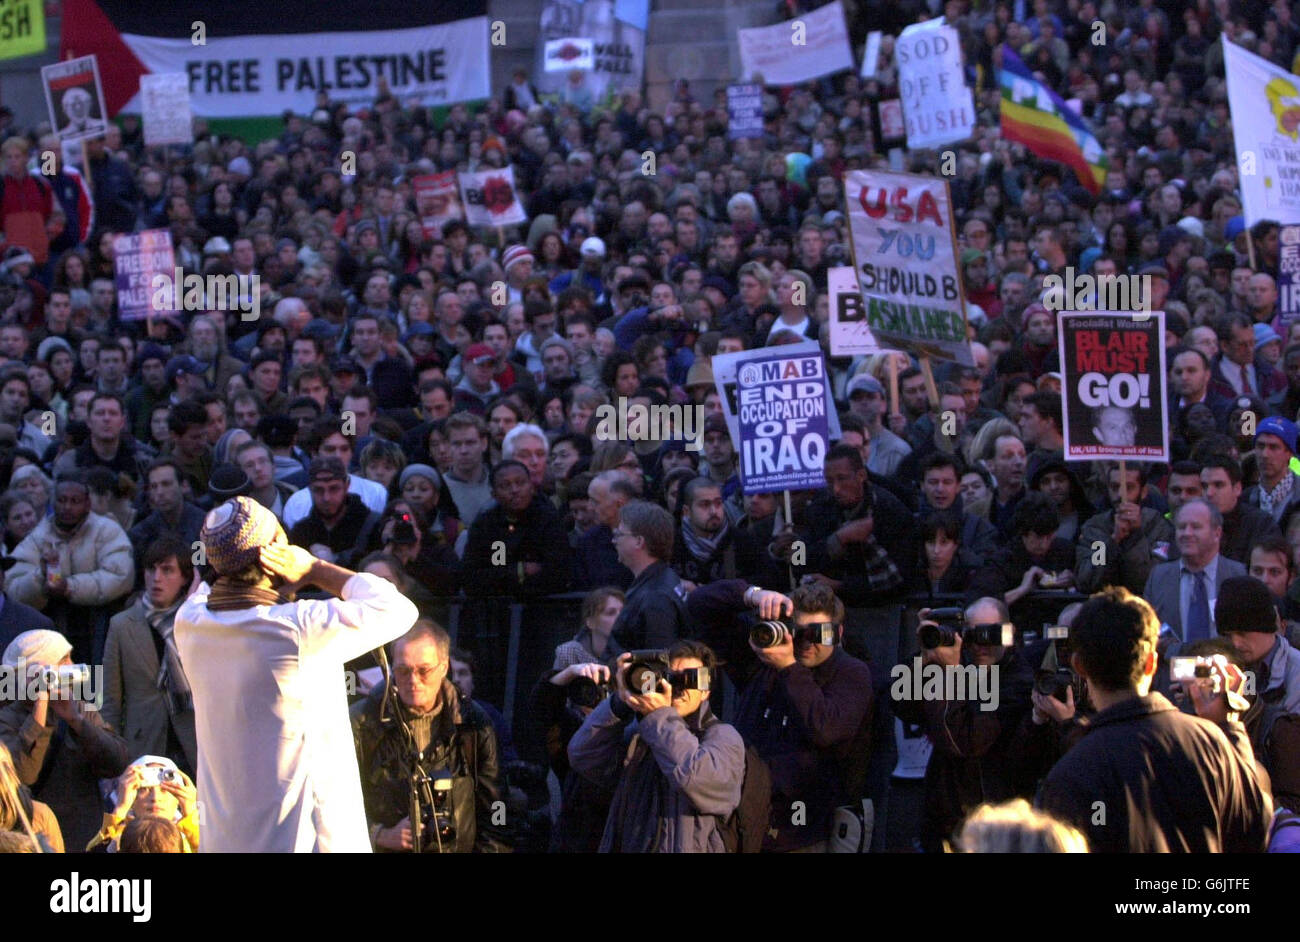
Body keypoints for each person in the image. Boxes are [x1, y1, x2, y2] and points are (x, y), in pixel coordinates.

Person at [174, 497, 419, 852]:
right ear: (275, 555)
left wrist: (265, 576)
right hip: (303, 840)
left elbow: (215, 587)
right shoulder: (295, 628)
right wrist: (315, 569)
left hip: (227, 840)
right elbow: (397, 608)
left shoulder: (190, 621)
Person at [1036, 587, 1272, 853]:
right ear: (1151, 663)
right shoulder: (1212, 744)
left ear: (1080, 666)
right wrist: (1230, 725)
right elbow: (1254, 832)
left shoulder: (1070, 774)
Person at [688, 579, 873, 852]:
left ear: (839, 632)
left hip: (805, 832)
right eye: (799, 633)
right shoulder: (762, 660)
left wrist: (788, 667)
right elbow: (698, 606)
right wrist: (753, 595)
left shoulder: (851, 672)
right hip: (742, 822)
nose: (808, 643)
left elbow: (825, 728)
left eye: (820, 634)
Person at [567, 639, 744, 853]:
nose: (678, 688)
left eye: (690, 679)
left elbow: (695, 780)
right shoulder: (641, 734)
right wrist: (620, 703)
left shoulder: (723, 736)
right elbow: (582, 755)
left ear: (706, 691)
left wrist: (660, 717)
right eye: (670, 678)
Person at [350, 621, 510, 852]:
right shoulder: (363, 722)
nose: (413, 680)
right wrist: (377, 834)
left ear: (443, 667)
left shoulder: (474, 722)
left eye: (424, 670)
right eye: (403, 670)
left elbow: (497, 807)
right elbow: (326, 802)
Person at [893, 597, 1034, 853]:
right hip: (946, 821)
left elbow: (966, 741)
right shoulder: (961, 664)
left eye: (989, 634)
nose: (980, 644)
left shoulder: (1018, 679)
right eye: (972, 634)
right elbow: (902, 705)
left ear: (1008, 633)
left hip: (999, 825)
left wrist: (951, 672)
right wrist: (926, 655)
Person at [0, 628, 130, 851]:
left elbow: (117, 762)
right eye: (63, 660)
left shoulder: (78, 707)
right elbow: (23, 777)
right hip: (36, 837)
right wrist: (39, 715)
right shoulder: (7, 719)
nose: (71, 666)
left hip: (86, 837)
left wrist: (77, 721)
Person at [7, 473, 134, 664]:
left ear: (87, 504)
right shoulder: (38, 537)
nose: (67, 507)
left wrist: (70, 587)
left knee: (98, 685)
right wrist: (41, 577)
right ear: (53, 503)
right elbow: (13, 584)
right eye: (62, 500)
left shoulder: (107, 530)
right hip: (54, 624)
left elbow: (120, 576)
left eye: (75, 501)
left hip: (101, 622)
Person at [101, 535, 199, 775]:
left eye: (167, 571)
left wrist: (195, 607)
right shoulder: (122, 625)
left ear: (185, 577)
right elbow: (110, 698)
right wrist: (110, 755)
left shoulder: (197, 621)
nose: (157, 579)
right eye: (151, 569)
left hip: (191, 743)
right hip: (144, 743)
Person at [459, 460, 572, 598]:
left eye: (520, 483)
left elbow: (558, 574)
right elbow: (471, 578)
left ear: (531, 486)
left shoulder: (549, 520)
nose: (514, 490)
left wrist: (503, 578)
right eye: (505, 485)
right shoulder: (485, 524)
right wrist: (521, 570)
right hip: (496, 609)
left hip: (542, 607)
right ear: (494, 494)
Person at [1144, 499, 1247, 645]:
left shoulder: (1239, 575)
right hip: (1171, 665)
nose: (1187, 533)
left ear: (1217, 533)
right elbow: (1146, 634)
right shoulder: (1158, 577)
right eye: (1181, 527)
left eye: (1196, 527)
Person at [609, 500, 692, 649]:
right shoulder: (663, 578)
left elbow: (658, 661)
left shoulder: (656, 598)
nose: (614, 541)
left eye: (619, 534)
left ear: (639, 541)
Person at [86, 756, 200, 853]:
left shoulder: (194, 838)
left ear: (178, 799)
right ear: (132, 798)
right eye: (145, 789)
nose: (155, 798)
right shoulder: (118, 839)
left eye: (165, 790)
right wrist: (120, 809)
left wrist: (191, 817)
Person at [288, 456, 382, 569]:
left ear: (346, 486)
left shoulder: (373, 526)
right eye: (319, 490)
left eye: (334, 489)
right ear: (310, 490)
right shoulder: (300, 532)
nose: (326, 498)